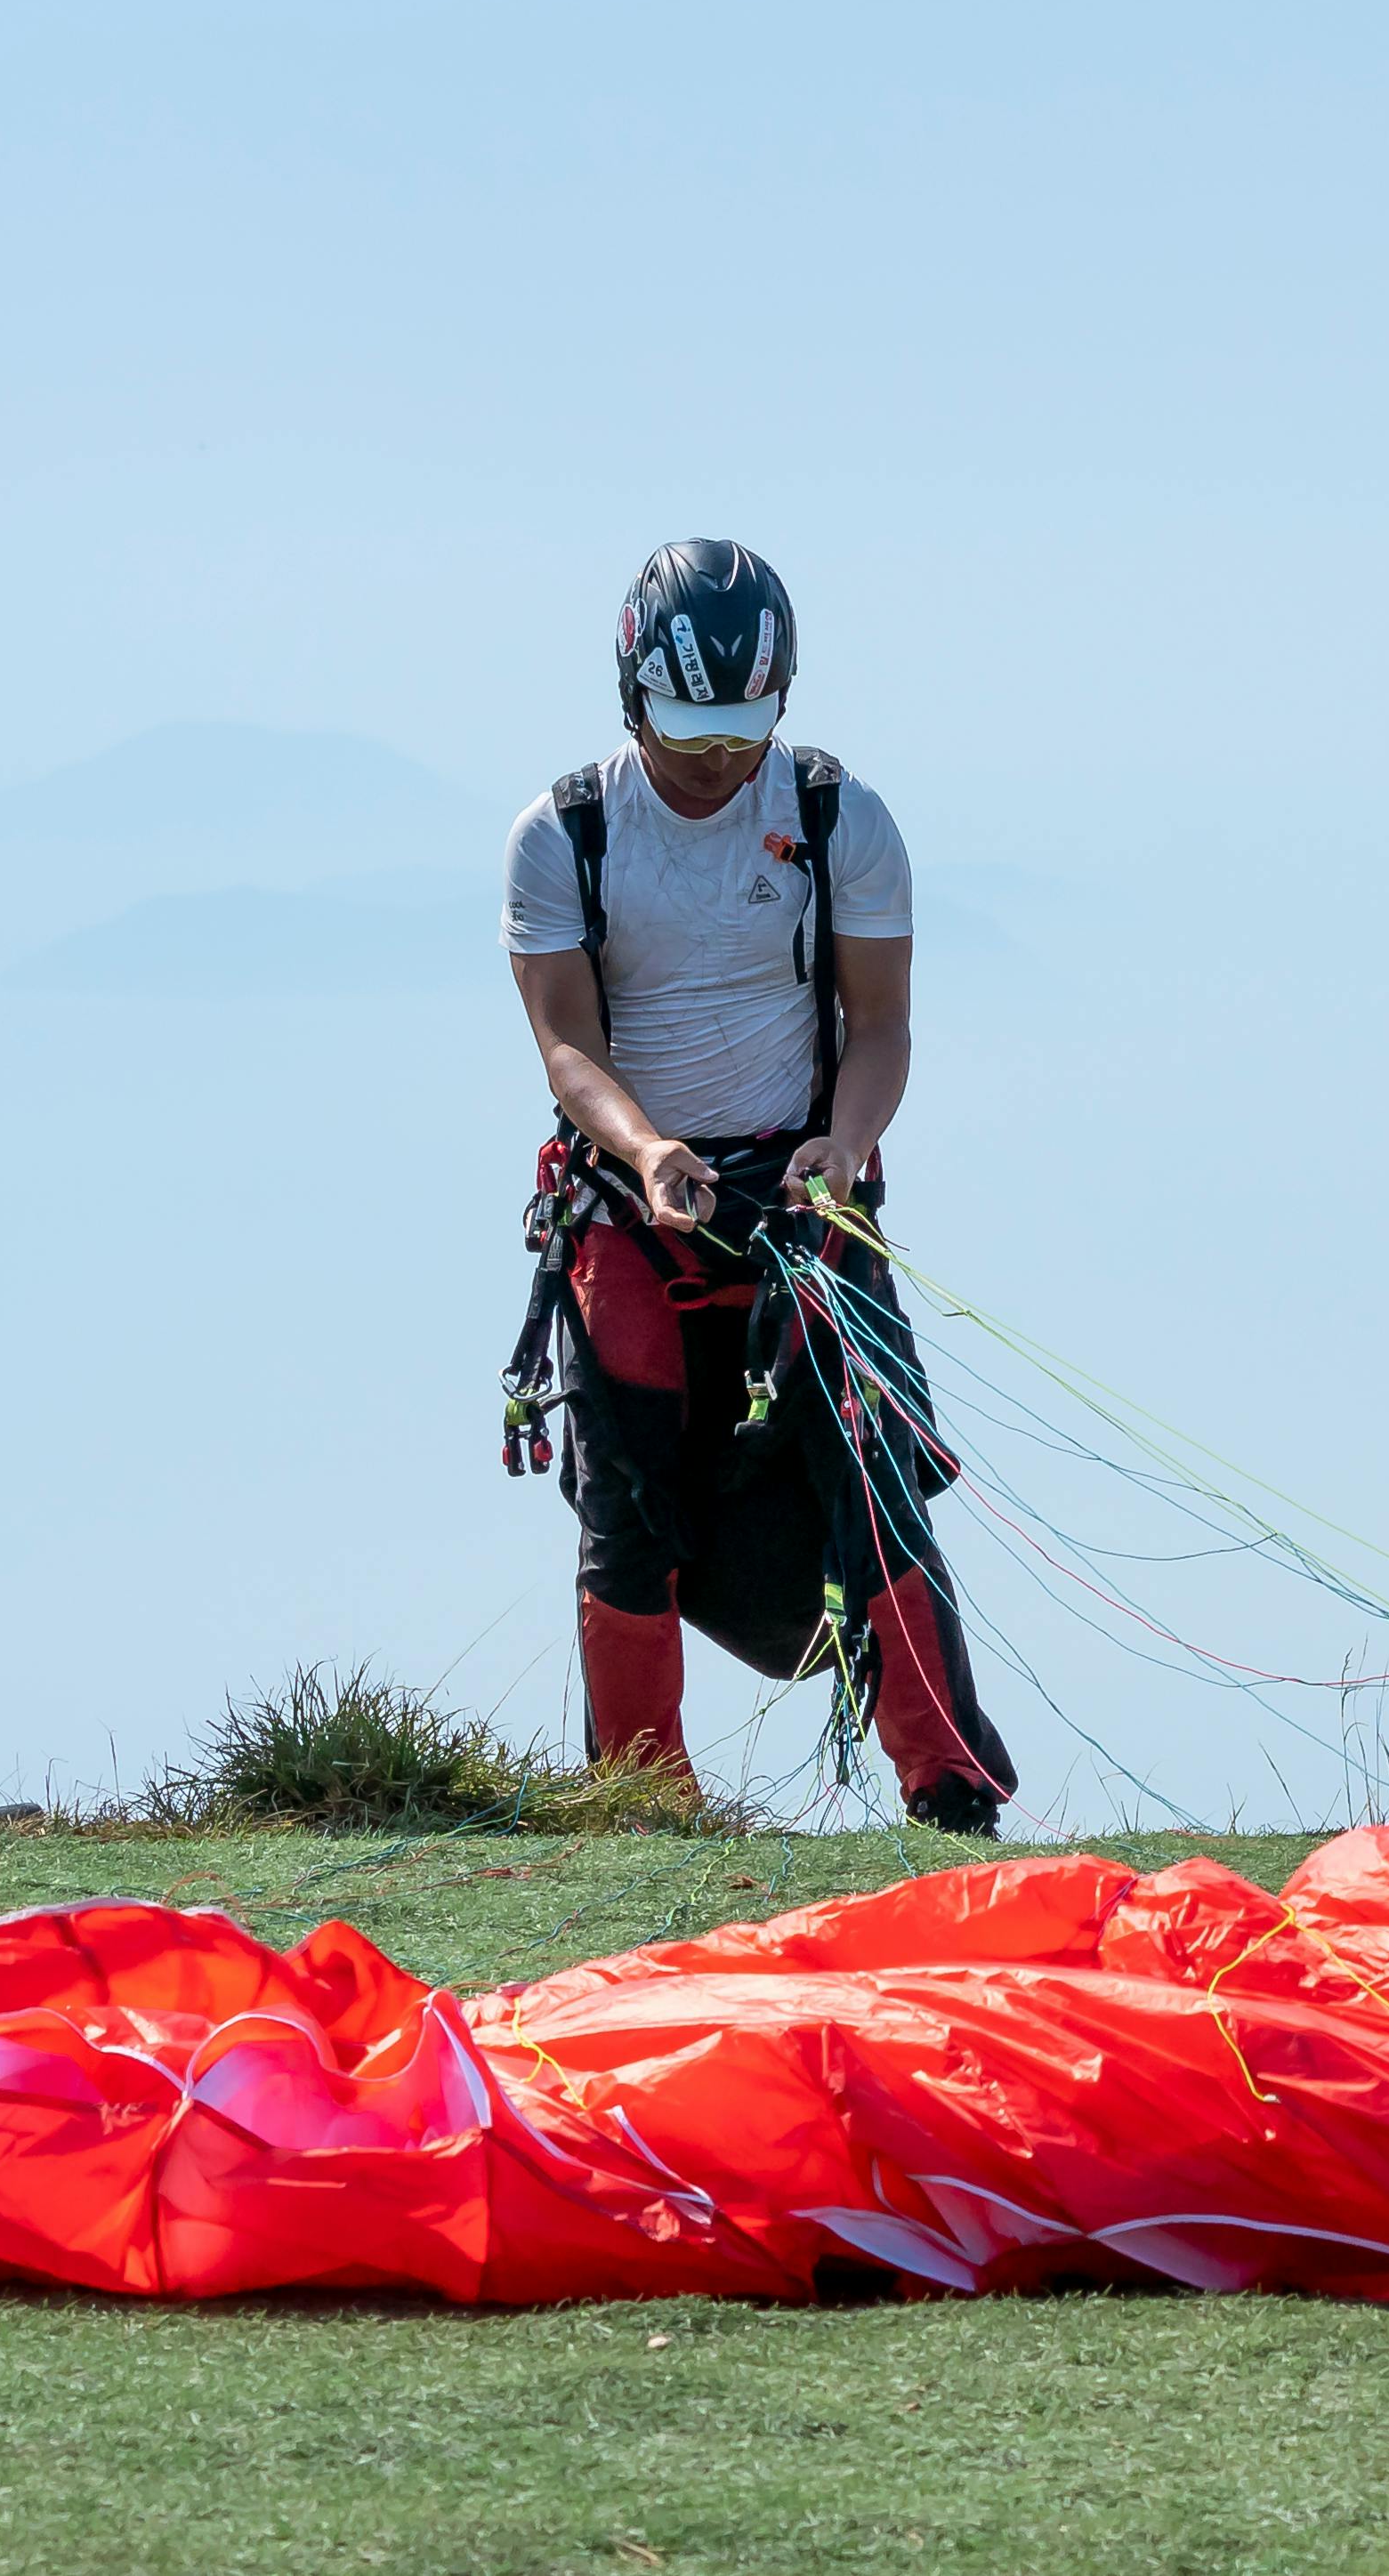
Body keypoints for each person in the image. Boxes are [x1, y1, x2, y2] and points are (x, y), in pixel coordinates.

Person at [502, 538, 1012, 1830]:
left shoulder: (842, 819)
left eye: (740, 727)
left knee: (870, 1470)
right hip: (634, 1207)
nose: (714, 756)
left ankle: (946, 1786)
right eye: (686, 728)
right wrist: (648, 1152)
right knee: (630, 1502)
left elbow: (881, 1025)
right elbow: (568, 1044)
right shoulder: (561, 834)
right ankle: (639, 1806)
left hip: (805, 1202)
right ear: (631, 693)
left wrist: (842, 1145)